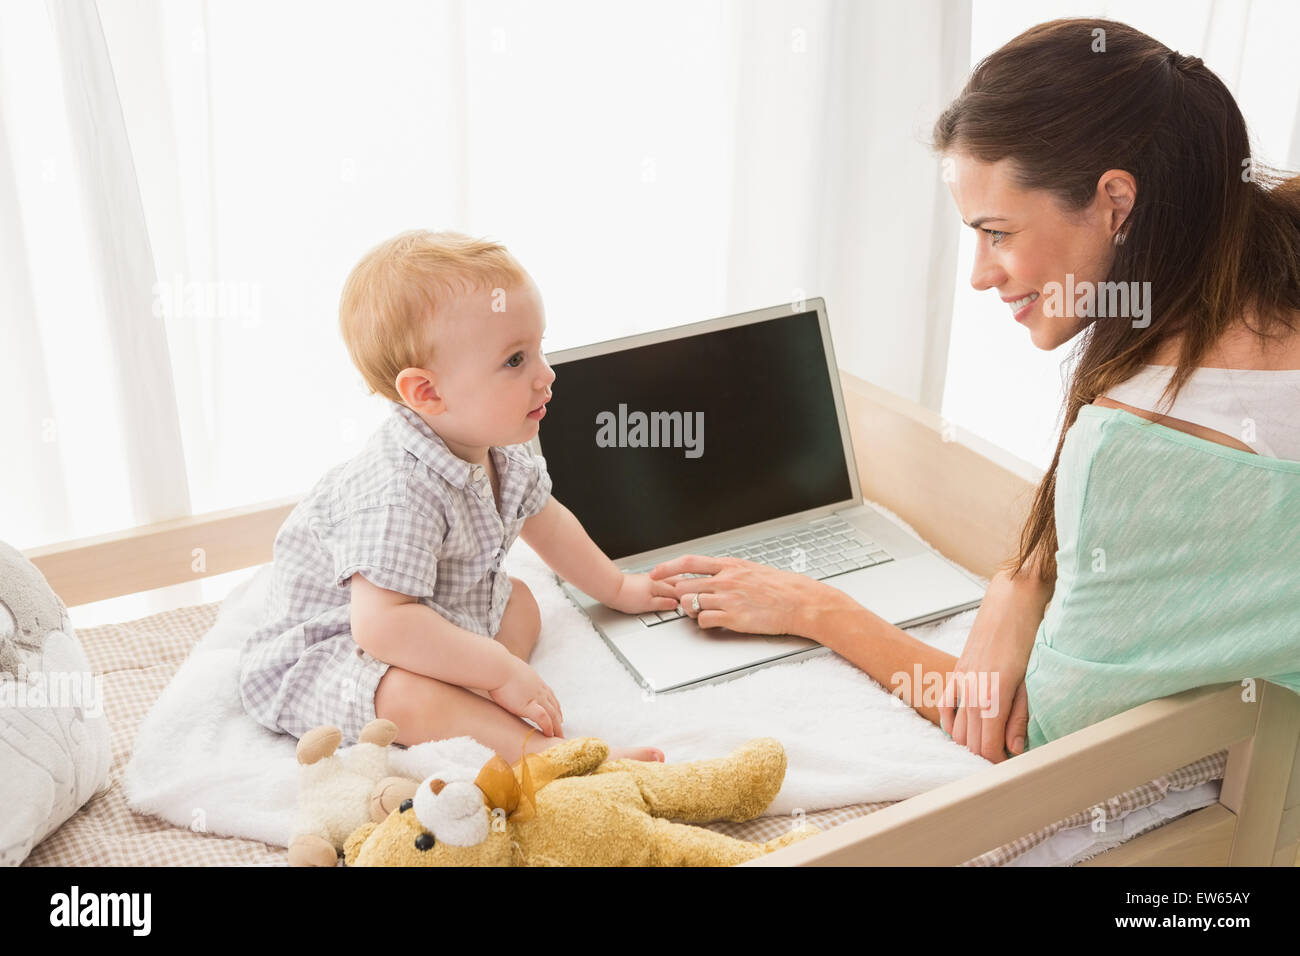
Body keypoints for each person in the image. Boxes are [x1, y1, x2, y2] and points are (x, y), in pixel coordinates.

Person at [652, 18, 1300, 763]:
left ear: (1115, 203)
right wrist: (1022, 577)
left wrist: (815, 607)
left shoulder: (1135, 445)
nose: (981, 274)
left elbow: (1028, 742)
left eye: (997, 232)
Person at [238, 230, 677, 761]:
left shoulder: (499, 448)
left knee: (522, 600)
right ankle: (537, 753)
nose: (547, 374)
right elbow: (381, 625)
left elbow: (549, 521)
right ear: (427, 393)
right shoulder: (397, 492)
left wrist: (619, 587)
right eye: (516, 360)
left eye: (539, 348)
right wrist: (498, 667)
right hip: (342, 645)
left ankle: (471, 697)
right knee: (401, 694)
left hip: (433, 610)